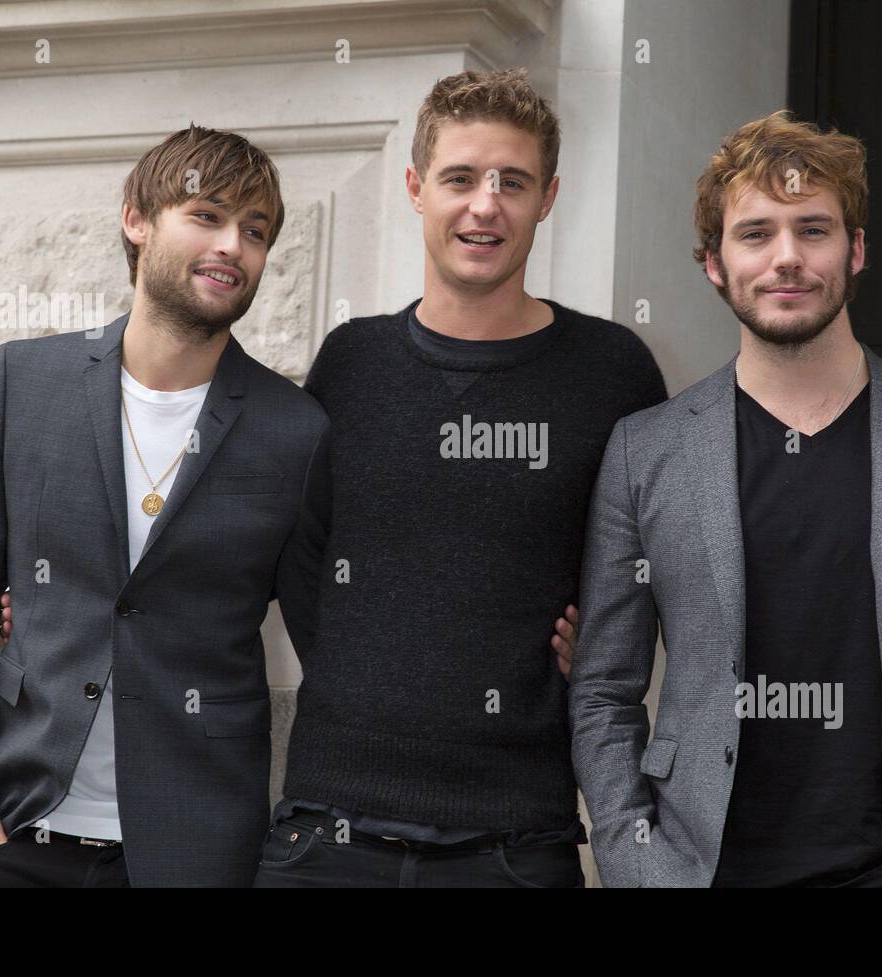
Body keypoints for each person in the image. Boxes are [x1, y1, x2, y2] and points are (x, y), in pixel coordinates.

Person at [569, 110, 882, 888]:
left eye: (813, 229)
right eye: (756, 233)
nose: (787, 259)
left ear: (856, 248)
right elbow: (604, 688)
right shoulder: (645, 449)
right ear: (713, 262)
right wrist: (641, 865)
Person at [252, 69, 667, 888]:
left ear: (547, 197)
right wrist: (367, 674)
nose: (486, 205)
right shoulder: (351, 362)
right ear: (415, 188)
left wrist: (611, 646)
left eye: (512, 182)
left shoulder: (612, 371)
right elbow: (298, 560)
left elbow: (665, 559)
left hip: (517, 843)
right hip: (329, 835)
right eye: (461, 178)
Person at [0, 125, 330, 886]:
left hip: (198, 851)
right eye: (207, 215)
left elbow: (335, 650)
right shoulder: (22, 383)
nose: (233, 245)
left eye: (256, 230)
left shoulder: (294, 430)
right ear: (137, 218)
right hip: (9, 831)